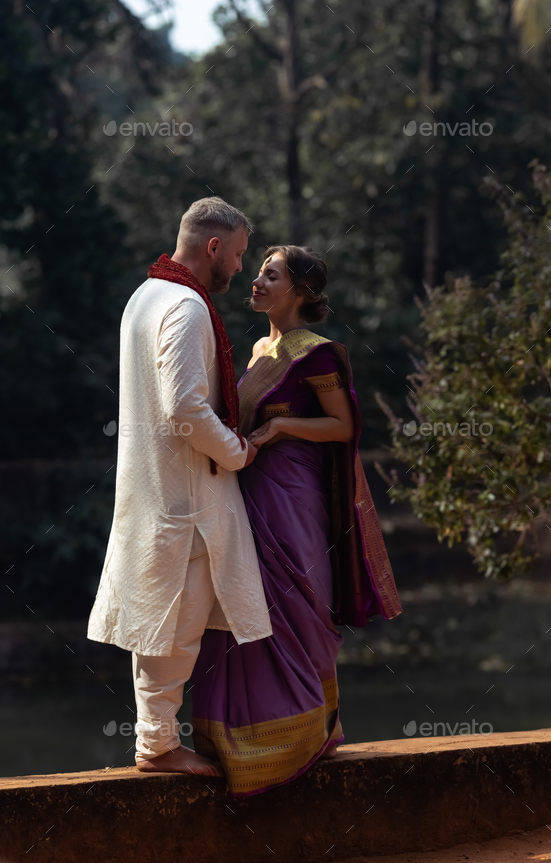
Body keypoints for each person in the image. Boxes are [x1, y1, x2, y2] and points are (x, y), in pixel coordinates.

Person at [190, 244, 402, 796]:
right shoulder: (261, 349)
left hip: (294, 496)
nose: (256, 281)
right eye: (258, 272)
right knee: (244, 603)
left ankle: (307, 730)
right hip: (250, 490)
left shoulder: (320, 353)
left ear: (302, 292)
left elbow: (343, 427)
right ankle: (242, 740)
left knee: (297, 602)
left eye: (271, 275)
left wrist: (283, 429)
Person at [87, 197, 272, 777]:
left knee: (160, 621)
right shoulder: (188, 307)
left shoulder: (145, 296)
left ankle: (155, 742)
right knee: (176, 626)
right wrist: (239, 450)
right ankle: (158, 747)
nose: (241, 269)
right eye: (239, 255)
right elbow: (187, 410)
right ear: (213, 247)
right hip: (185, 495)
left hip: (155, 487)